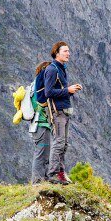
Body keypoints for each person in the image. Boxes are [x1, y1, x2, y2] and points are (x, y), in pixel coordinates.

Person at [44, 41, 82, 184]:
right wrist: (67, 90)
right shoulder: (52, 69)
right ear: (57, 53)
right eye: (65, 51)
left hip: (65, 111)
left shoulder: (61, 68)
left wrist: (71, 90)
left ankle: (60, 174)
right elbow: (48, 92)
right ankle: (53, 174)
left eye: (68, 51)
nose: (68, 53)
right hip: (58, 112)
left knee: (64, 144)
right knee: (59, 142)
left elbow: (60, 91)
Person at [29, 60, 52, 183]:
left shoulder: (35, 84)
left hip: (39, 125)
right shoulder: (40, 85)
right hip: (41, 123)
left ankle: (44, 179)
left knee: (44, 153)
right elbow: (40, 104)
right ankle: (37, 181)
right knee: (41, 153)